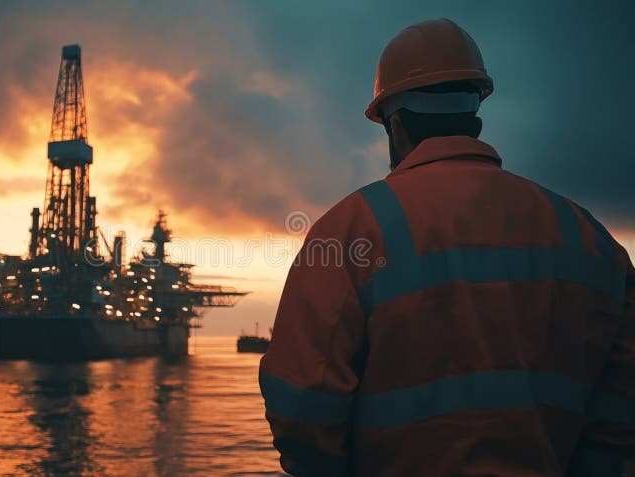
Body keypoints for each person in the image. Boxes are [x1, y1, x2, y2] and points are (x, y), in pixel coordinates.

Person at [259, 18, 634, 476]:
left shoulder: (347, 232)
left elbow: (301, 404)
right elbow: (621, 407)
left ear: (394, 125)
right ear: (475, 115)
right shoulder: (590, 239)